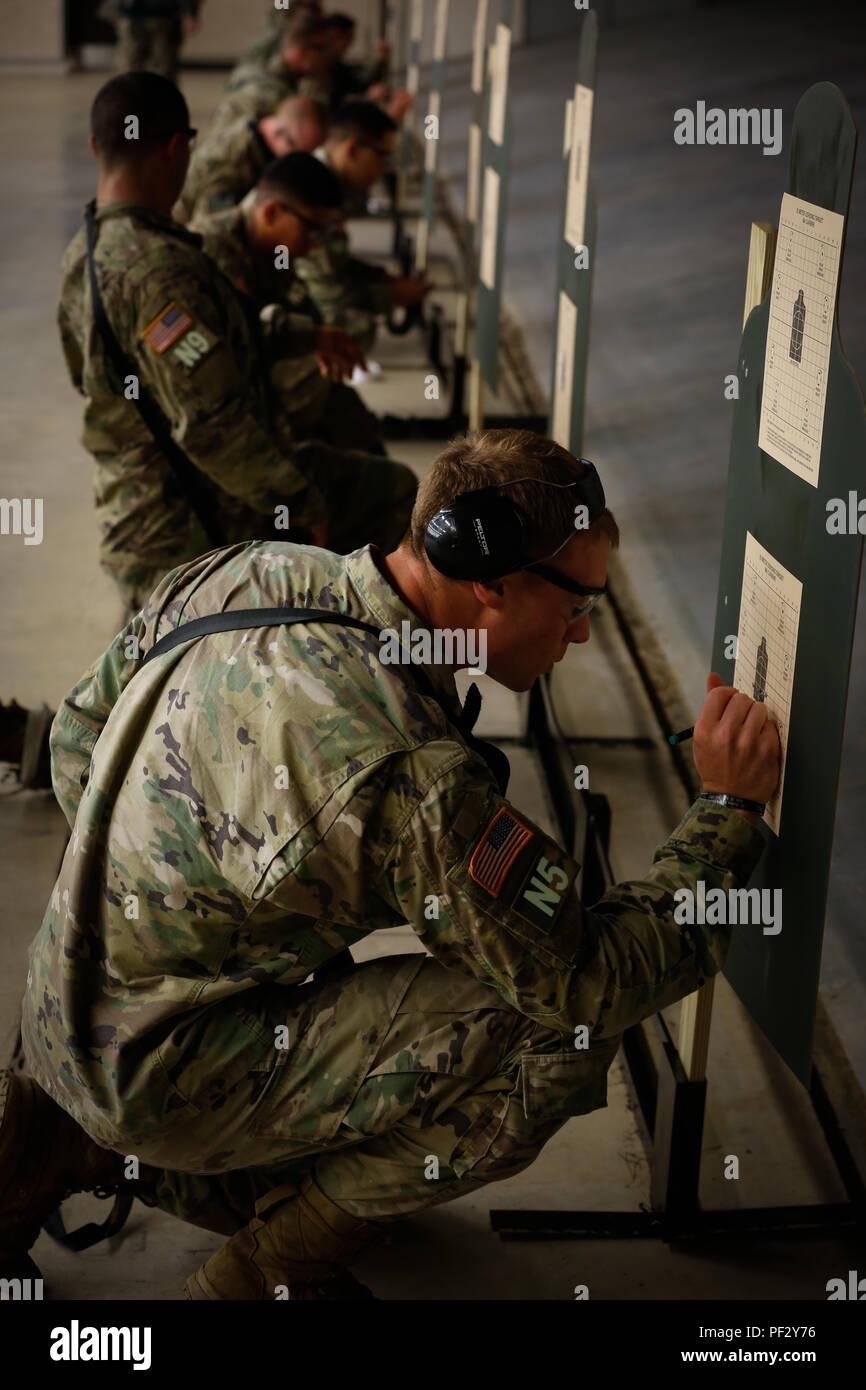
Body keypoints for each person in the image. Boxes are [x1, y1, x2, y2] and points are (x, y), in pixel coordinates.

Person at [4, 430, 780, 1299]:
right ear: (491, 582)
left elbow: (76, 738)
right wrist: (728, 812)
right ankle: (266, 1272)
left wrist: (198, 901)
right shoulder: (411, 774)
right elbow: (585, 980)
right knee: (551, 1035)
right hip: (151, 1072)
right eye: (575, 605)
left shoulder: (246, 572)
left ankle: (55, 1130)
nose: (586, 631)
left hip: (53, 1008)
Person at [58, 72, 415, 611]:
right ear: (177, 150)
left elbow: (199, 349)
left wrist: (306, 333)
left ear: (95, 147)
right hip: (183, 517)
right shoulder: (159, 269)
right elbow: (210, 425)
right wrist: (297, 501)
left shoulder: (83, 252)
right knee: (385, 500)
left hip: (142, 502)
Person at [194, 153, 387, 453]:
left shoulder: (274, 252)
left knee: (336, 389)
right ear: (271, 212)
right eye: (313, 230)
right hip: (211, 405)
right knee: (312, 374)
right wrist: (310, 337)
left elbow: (300, 313)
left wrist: (318, 337)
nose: (317, 244)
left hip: (246, 384)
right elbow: (233, 343)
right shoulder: (212, 250)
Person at [296, 101, 432, 354]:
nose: (383, 170)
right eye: (382, 157)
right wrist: (390, 296)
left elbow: (336, 265)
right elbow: (328, 291)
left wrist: (381, 278)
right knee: (355, 329)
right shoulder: (315, 195)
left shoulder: (326, 183)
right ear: (353, 149)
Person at [174, 95, 326, 225]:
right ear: (279, 133)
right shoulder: (235, 159)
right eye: (296, 152)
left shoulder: (255, 143)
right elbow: (210, 227)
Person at [208, 11, 333, 136]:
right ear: (301, 51)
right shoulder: (273, 94)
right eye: (321, 50)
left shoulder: (261, 65)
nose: (327, 58)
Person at [107, 0, 203, 83]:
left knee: (163, 67)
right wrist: (113, 7)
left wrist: (190, 12)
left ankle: (160, 101)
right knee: (128, 66)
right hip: (132, 15)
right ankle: (130, 101)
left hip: (164, 15)